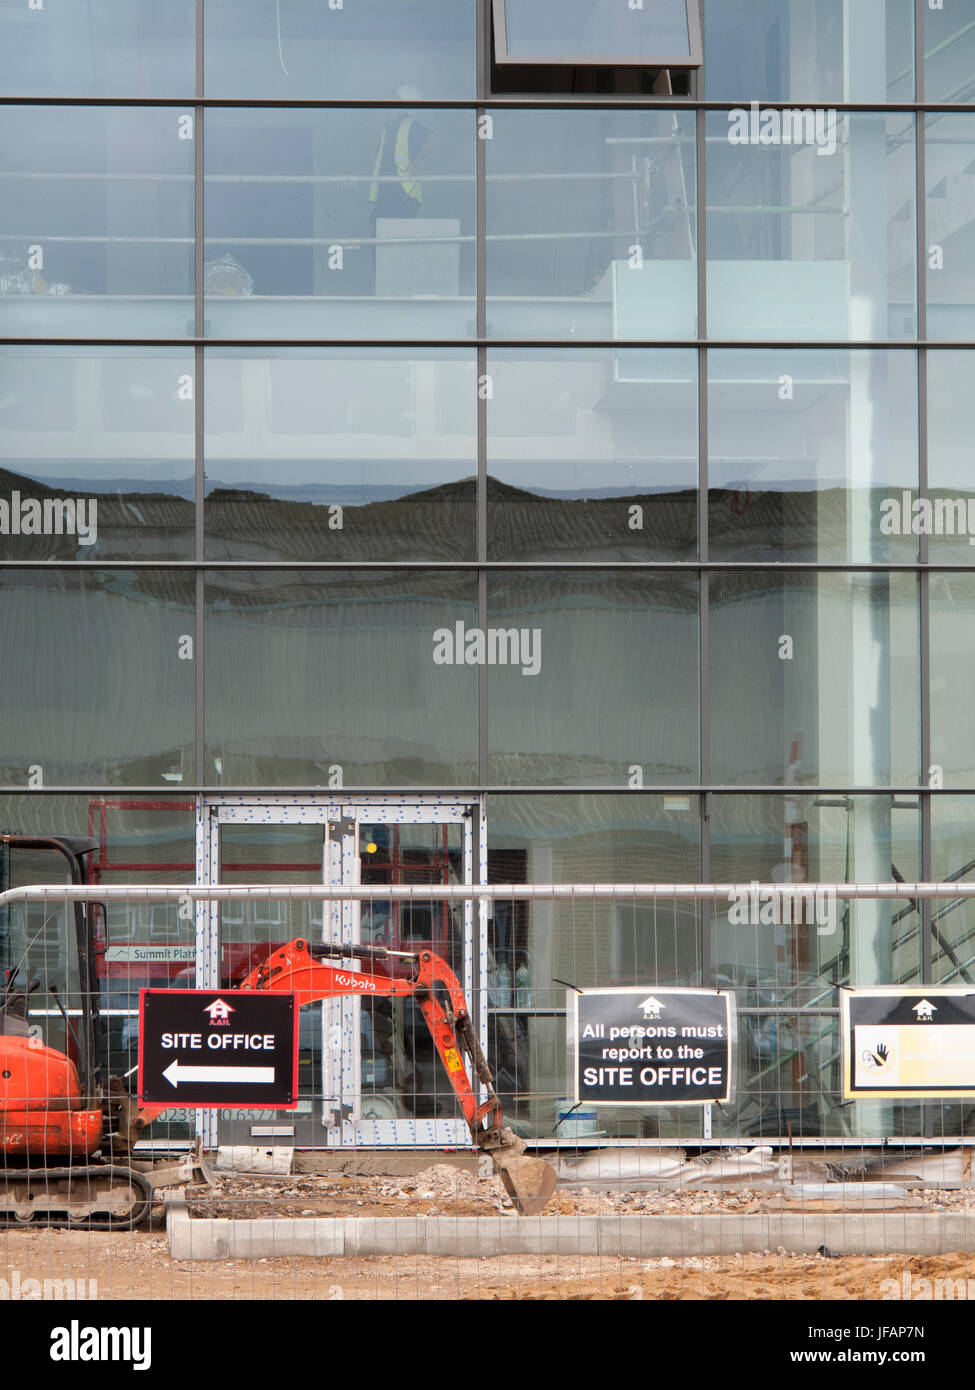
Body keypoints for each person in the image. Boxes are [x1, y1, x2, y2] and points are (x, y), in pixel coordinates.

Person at [368, 87, 440, 226]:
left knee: (393, 237)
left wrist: (416, 162)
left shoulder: (410, 125)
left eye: (393, 98)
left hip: (401, 195)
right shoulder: (387, 131)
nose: (387, 104)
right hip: (387, 195)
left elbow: (434, 140)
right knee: (380, 235)